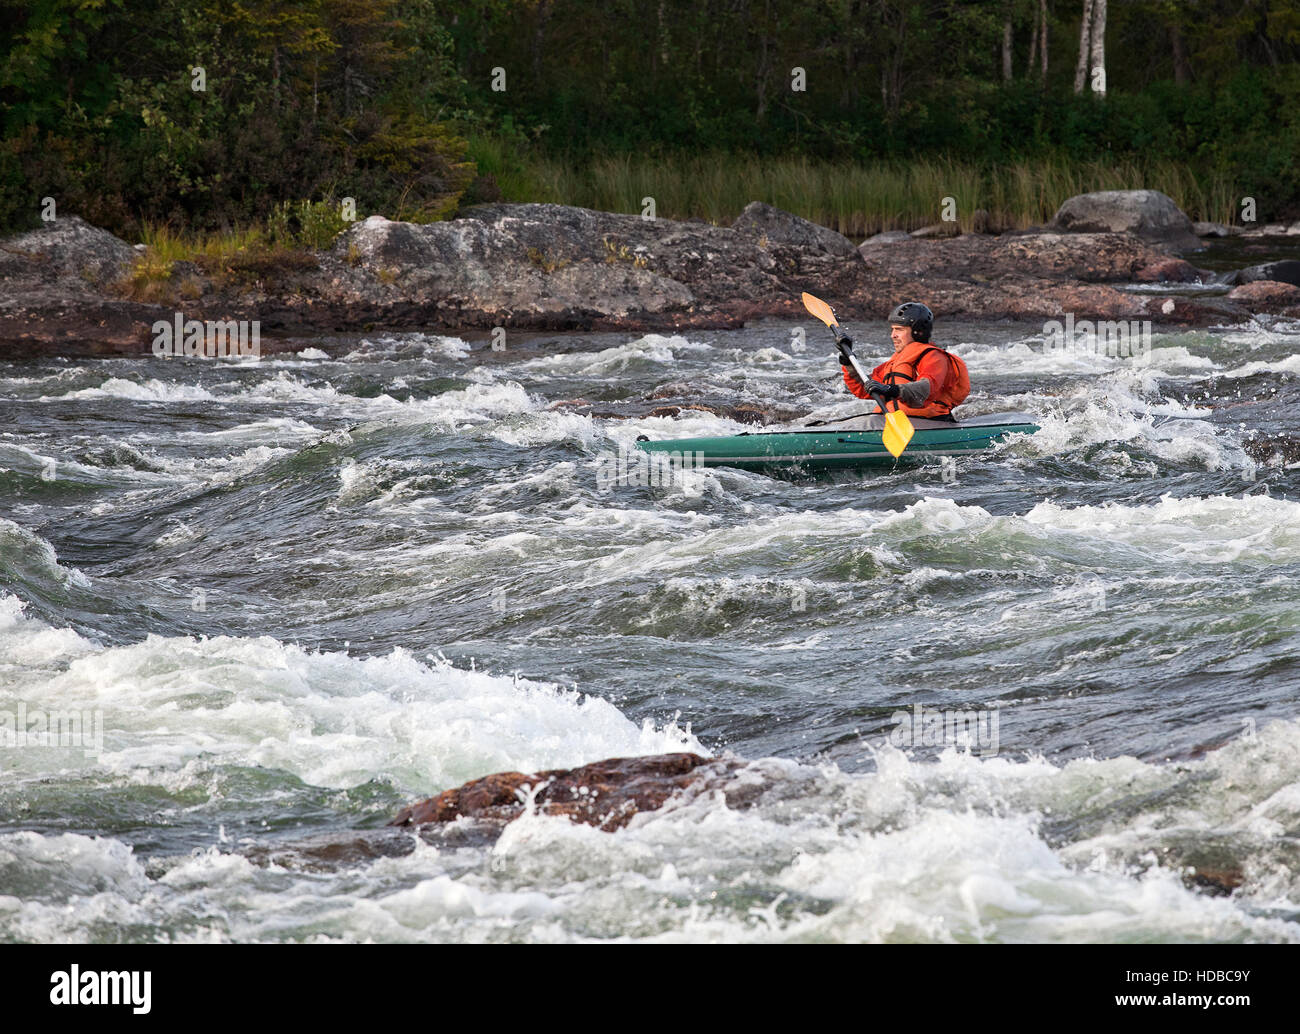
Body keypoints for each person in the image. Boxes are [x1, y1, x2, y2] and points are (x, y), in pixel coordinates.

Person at [839, 302, 969, 420]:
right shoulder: (897, 360)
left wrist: (891, 389)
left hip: (929, 421)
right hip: (890, 420)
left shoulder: (935, 357)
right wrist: (848, 362)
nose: (893, 335)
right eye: (893, 329)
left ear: (918, 332)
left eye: (899, 329)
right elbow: (864, 388)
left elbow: (926, 389)